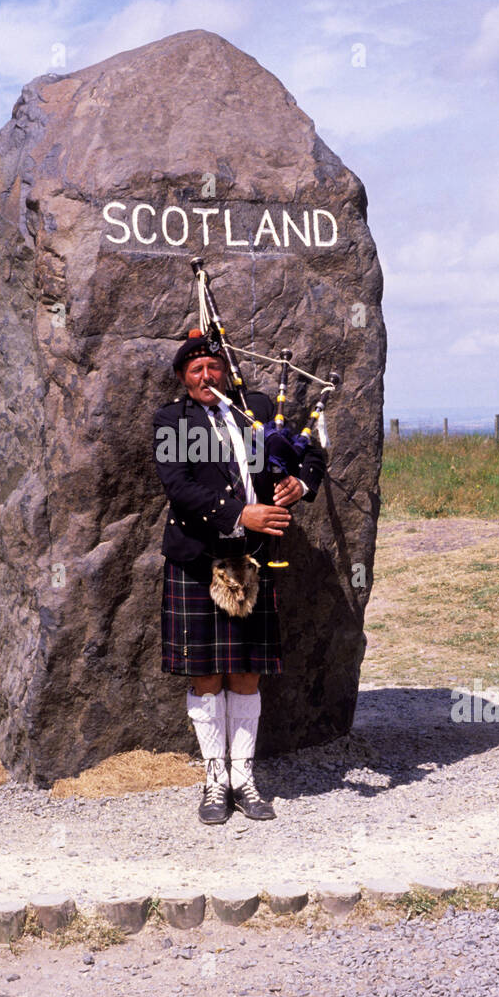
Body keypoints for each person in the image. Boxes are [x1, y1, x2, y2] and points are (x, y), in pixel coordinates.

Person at [153, 331, 327, 824]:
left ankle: (244, 777)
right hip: (198, 560)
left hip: (253, 561)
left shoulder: (253, 409)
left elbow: (308, 452)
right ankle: (214, 781)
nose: (207, 377)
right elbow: (178, 488)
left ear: (225, 371)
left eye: (213, 367)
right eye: (196, 371)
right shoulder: (173, 420)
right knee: (206, 674)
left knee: (247, 672)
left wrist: (300, 483)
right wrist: (240, 513)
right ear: (184, 380)